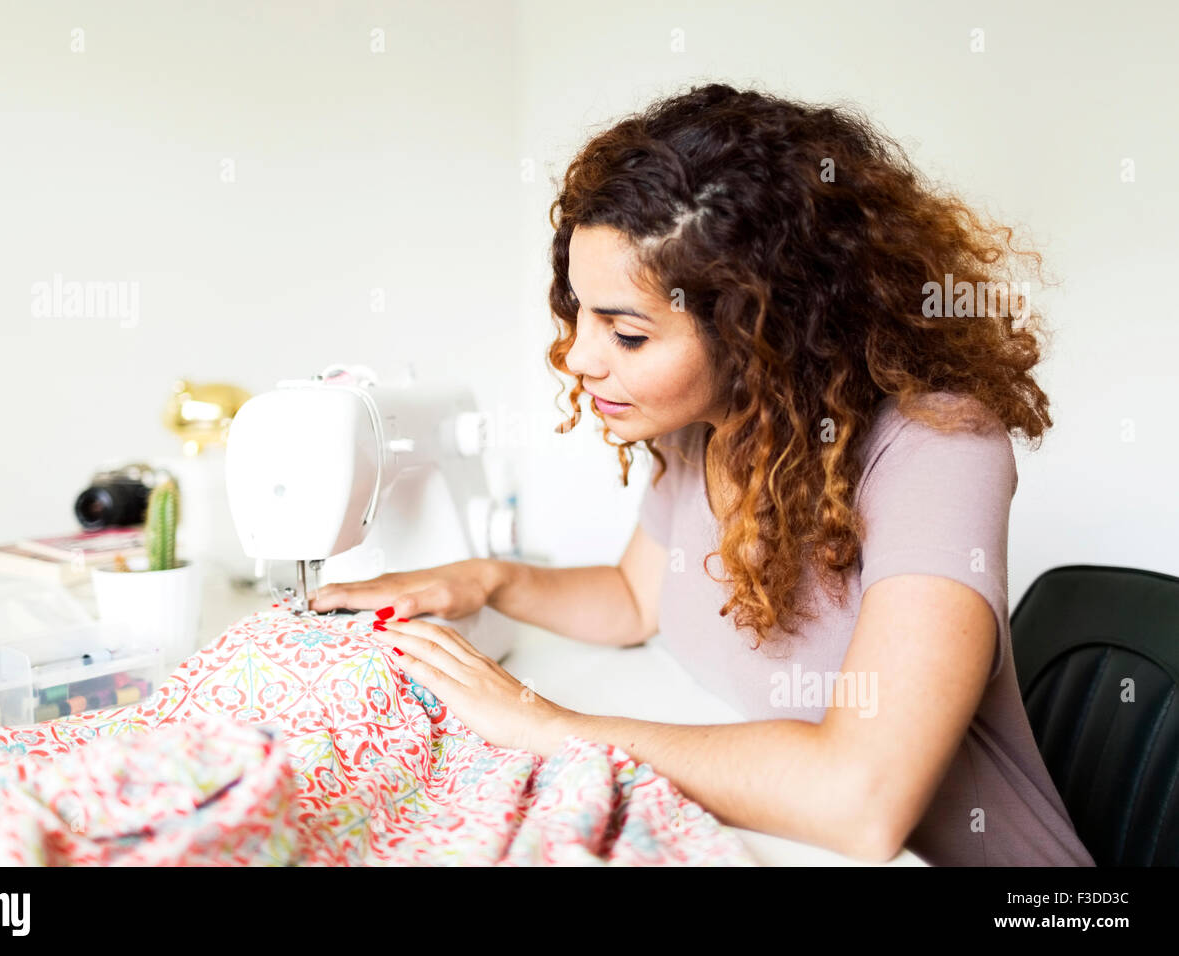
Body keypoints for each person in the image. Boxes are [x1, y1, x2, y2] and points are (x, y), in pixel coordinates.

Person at [311, 83, 1094, 867]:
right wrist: (481, 581)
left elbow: (863, 801)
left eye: (626, 333)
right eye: (578, 311)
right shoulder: (710, 431)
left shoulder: (938, 448)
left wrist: (546, 725)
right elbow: (631, 601)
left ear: (763, 328)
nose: (580, 358)